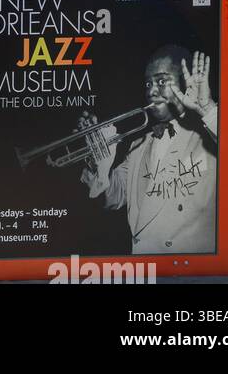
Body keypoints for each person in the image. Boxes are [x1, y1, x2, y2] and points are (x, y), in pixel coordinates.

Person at [78, 45, 218, 255]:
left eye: (162, 81)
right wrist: (99, 162)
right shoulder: (138, 145)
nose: (152, 91)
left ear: (185, 83)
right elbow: (113, 199)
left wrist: (207, 109)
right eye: (148, 83)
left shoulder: (207, 136)